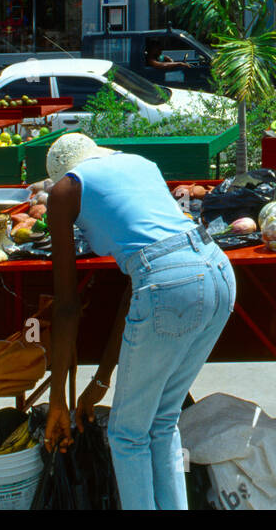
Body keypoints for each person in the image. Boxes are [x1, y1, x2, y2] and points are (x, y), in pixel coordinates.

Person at [43, 132, 235, 510]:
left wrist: (56, 403)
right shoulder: (139, 165)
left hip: (171, 285)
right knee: (161, 423)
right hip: (218, 272)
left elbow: (66, 306)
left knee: (128, 435)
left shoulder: (65, 191)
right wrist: (100, 381)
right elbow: (139, 292)